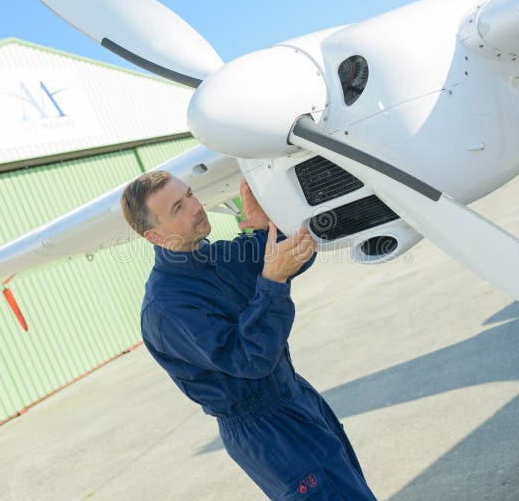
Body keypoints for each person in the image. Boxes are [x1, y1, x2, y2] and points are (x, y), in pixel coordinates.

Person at [121, 171, 375, 500]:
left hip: (294, 397)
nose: (197, 207)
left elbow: (286, 258)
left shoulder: (217, 258)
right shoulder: (168, 308)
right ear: (155, 236)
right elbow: (250, 358)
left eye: (190, 194)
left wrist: (263, 228)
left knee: (351, 491)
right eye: (178, 208)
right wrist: (272, 281)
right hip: (268, 429)